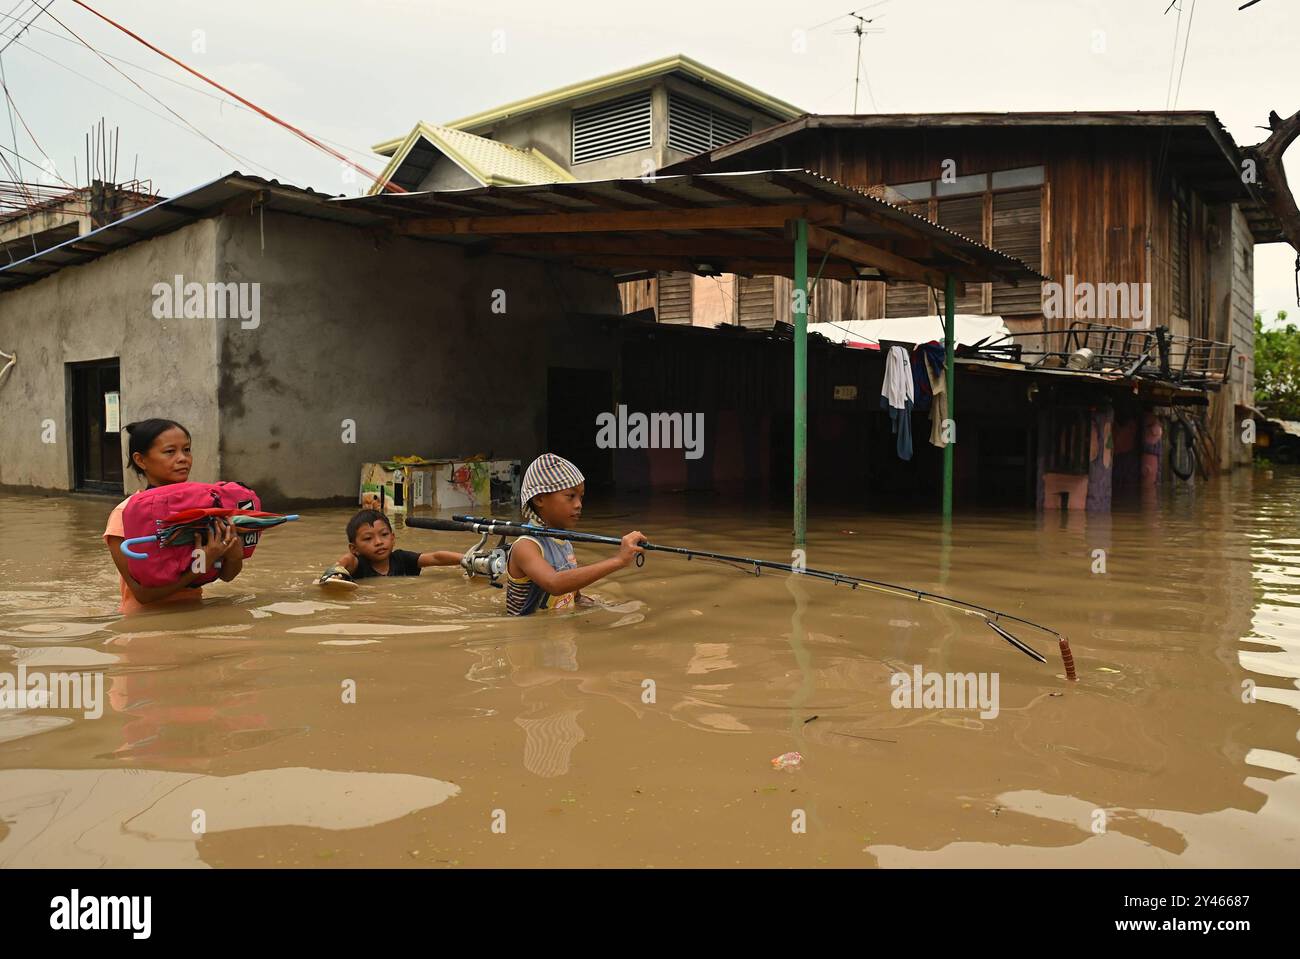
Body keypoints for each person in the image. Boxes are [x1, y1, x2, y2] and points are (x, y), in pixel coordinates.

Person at [103, 419, 244, 614]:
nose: (182, 458)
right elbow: (143, 595)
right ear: (140, 460)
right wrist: (202, 562)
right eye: (170, 452)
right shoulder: (123, 516)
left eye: (186, 450)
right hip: (145, 625)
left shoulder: (201, 510)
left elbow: (227, 576)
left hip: (193, 615)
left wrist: (235, 556)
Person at [505, 453, 643, 616]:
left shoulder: (564, 541)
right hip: (526, 637)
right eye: (570, 496)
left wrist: (603, 607)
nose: (579, 505)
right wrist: (618, 561)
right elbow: (554, 583)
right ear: (539, 499)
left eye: (581, 497)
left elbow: (572, 594)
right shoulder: (525, 546)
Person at [318, 509, 461, 583]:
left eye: (384, 535)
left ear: (393, 538)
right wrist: (335, 571)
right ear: (354, 548)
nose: (379, 542)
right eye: (368, 538)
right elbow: (348, 560)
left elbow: (436, 558)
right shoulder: (358, 564)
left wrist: (466, 559)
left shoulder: (402, 558)